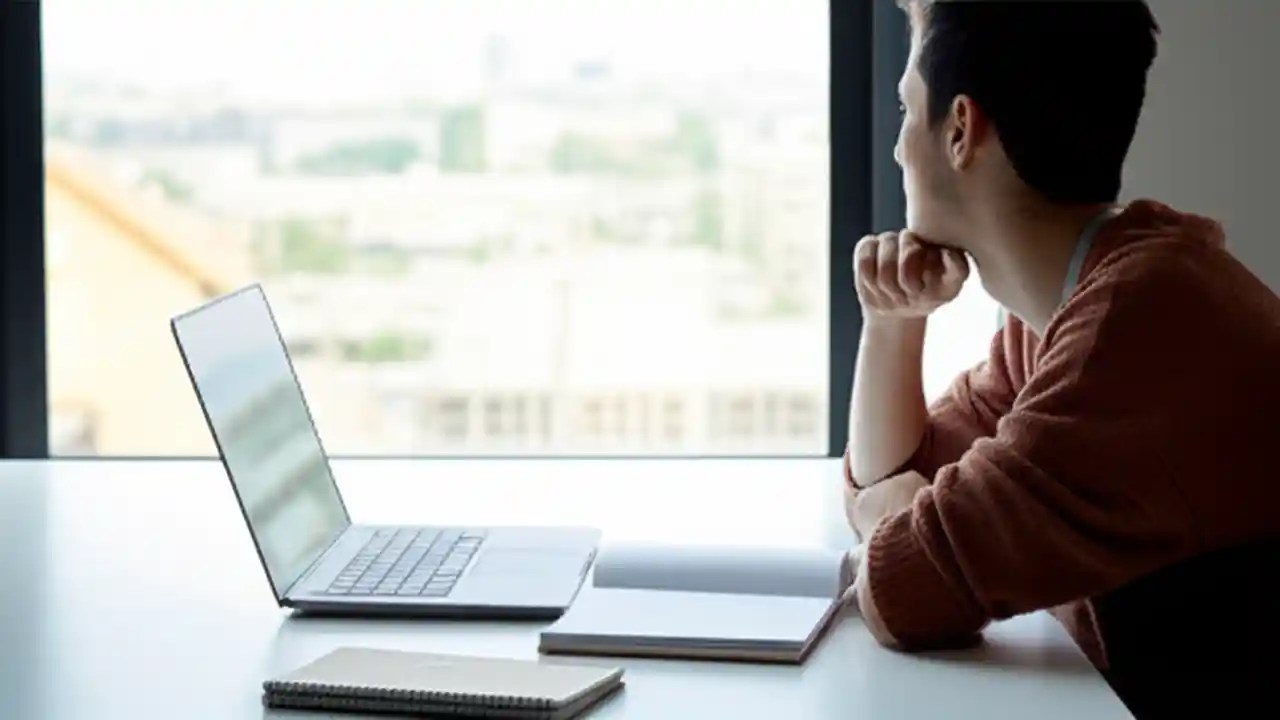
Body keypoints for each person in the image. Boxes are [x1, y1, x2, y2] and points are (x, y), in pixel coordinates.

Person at [841, 1, 1280, 715]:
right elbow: (892, 483)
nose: (895, 150)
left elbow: (903, 587)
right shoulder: (1072, 305)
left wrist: (895, 517)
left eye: (903, 108)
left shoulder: (1137, 324)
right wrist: (893, 321)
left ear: (960, 128)